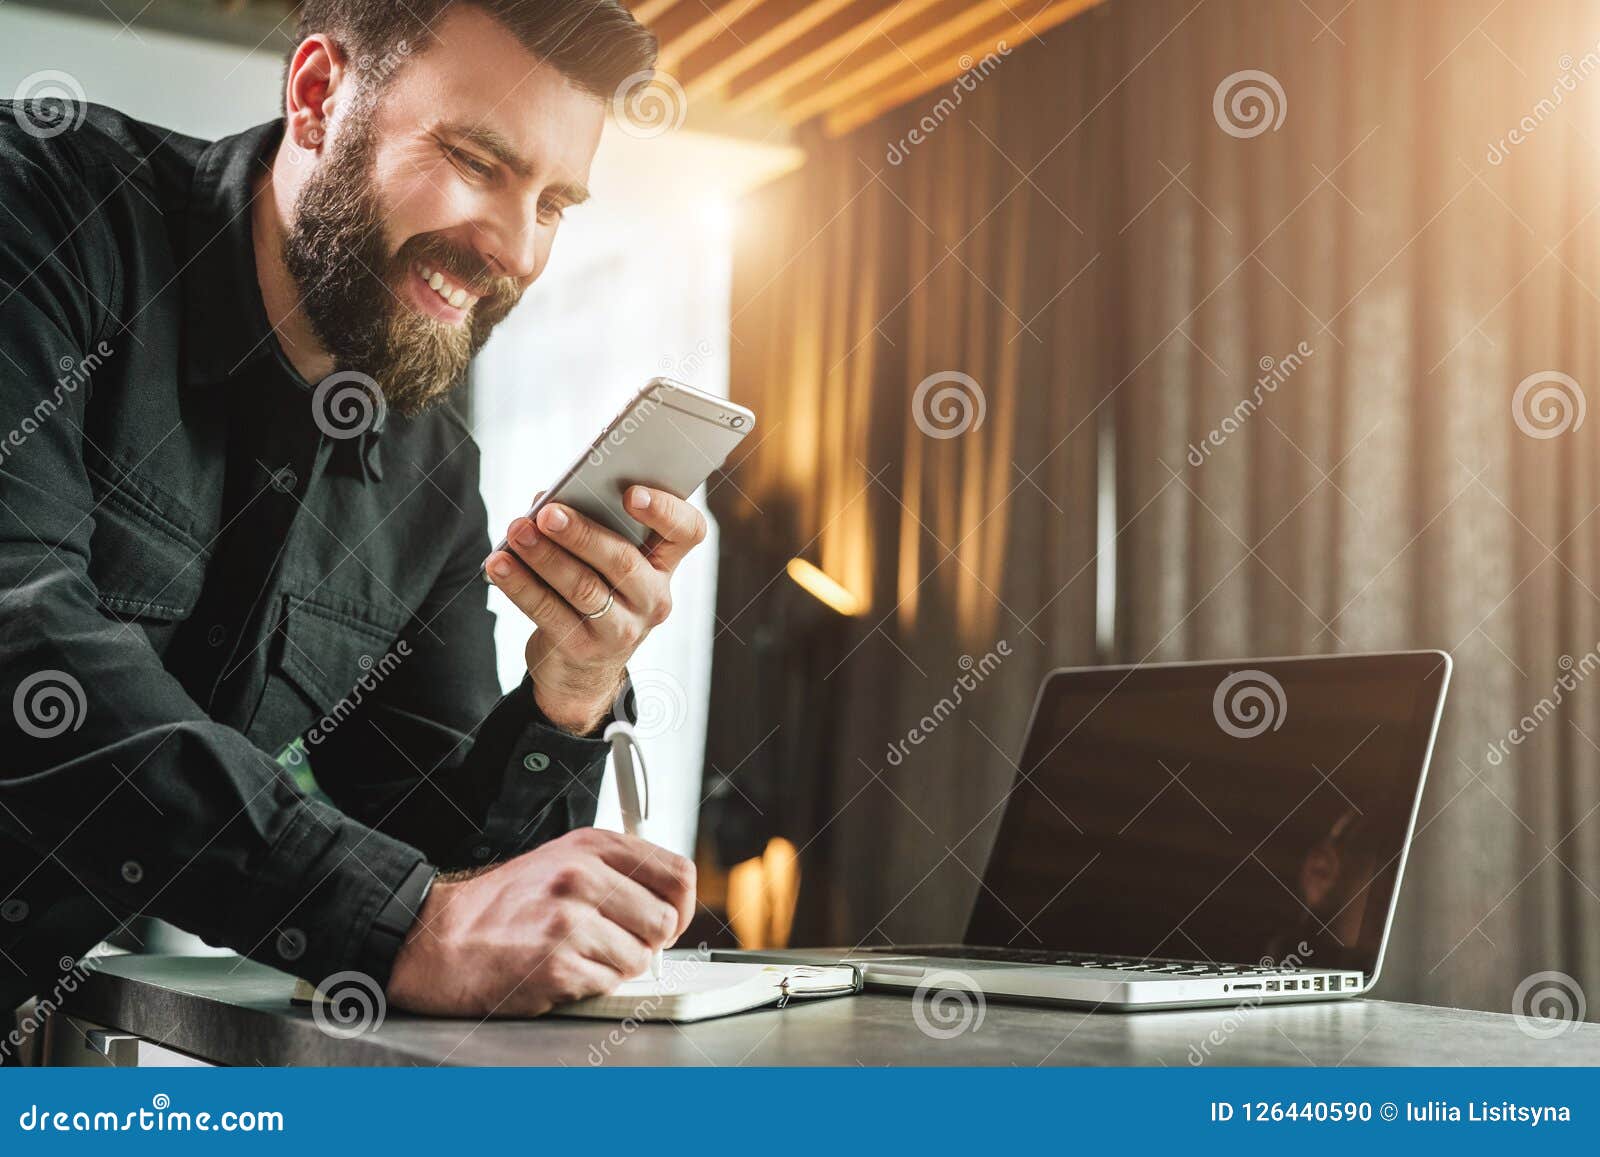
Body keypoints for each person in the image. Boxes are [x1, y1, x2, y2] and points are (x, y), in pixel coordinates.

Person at [0, 0, 699, 1024]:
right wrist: (403, 920)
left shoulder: (427, 467)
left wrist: (572, 688)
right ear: (320, 95)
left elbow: (455, 870)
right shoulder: (39, 208)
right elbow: (22, 638)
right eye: (474, 159)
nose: (513, 248)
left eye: (553, 204)